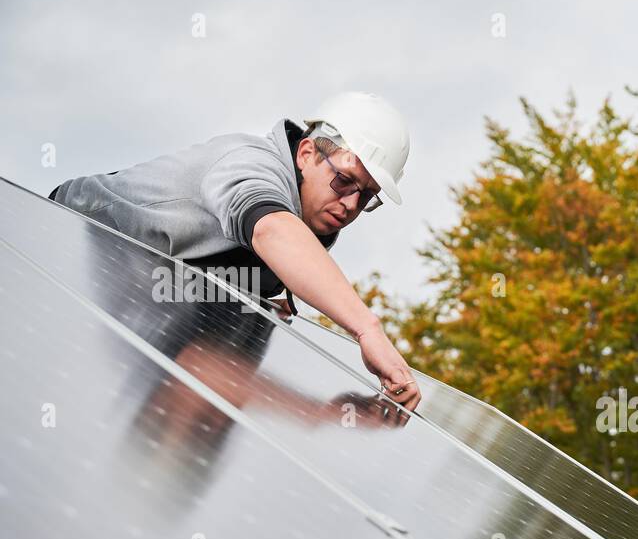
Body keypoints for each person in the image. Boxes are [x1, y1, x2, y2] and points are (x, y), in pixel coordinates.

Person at [48, 91, 420, 412]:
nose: (351, 204)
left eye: (367, 196)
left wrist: (322, 414)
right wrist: (366, 329)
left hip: (141, 298)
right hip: (64, 245)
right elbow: (272, 229)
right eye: (343, 180)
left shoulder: (307, 225)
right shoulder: (252, 166)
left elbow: (203, 368)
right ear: (306, 153)